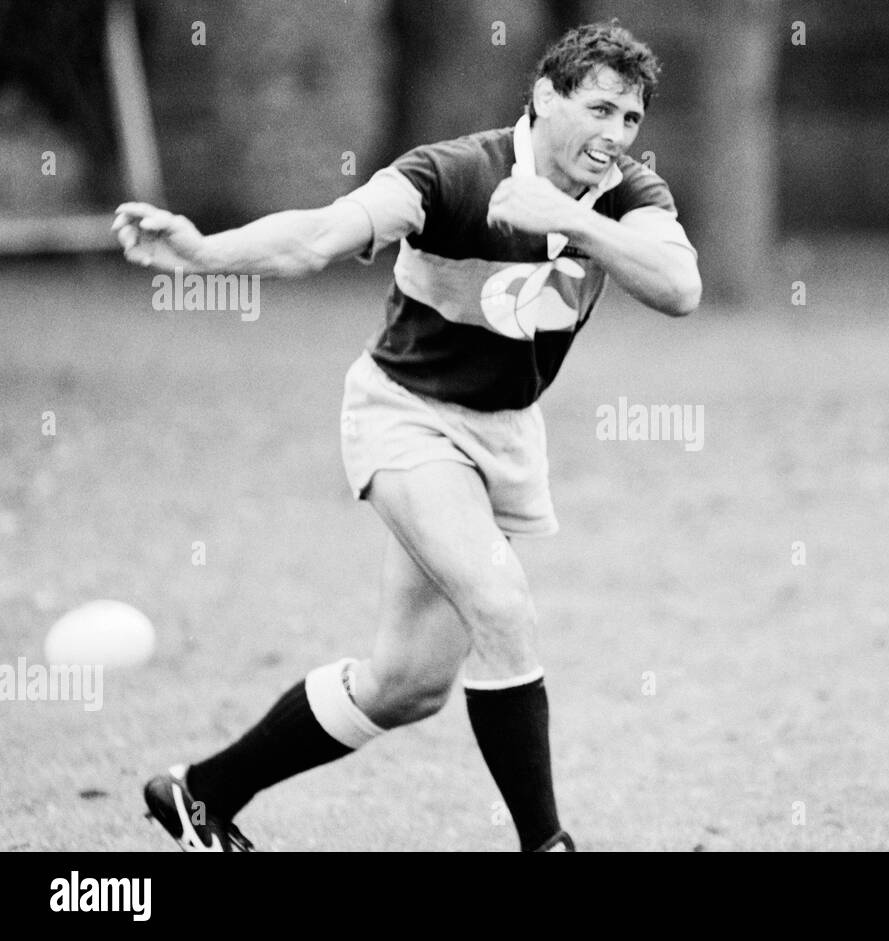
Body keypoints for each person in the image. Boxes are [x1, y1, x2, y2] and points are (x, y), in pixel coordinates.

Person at [113, 21, 699, 852]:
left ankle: (198, 793)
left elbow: (680, 287)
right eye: (598, 108)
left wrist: (574, 219)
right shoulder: (452, 173)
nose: (614, 135)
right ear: (543, 97)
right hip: (405, 416)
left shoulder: (629, 193)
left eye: (630, 120)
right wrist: (206, 252)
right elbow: (320, 234)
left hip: (502, 437)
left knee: (405, 684)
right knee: (501, 603)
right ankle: (548, 845)